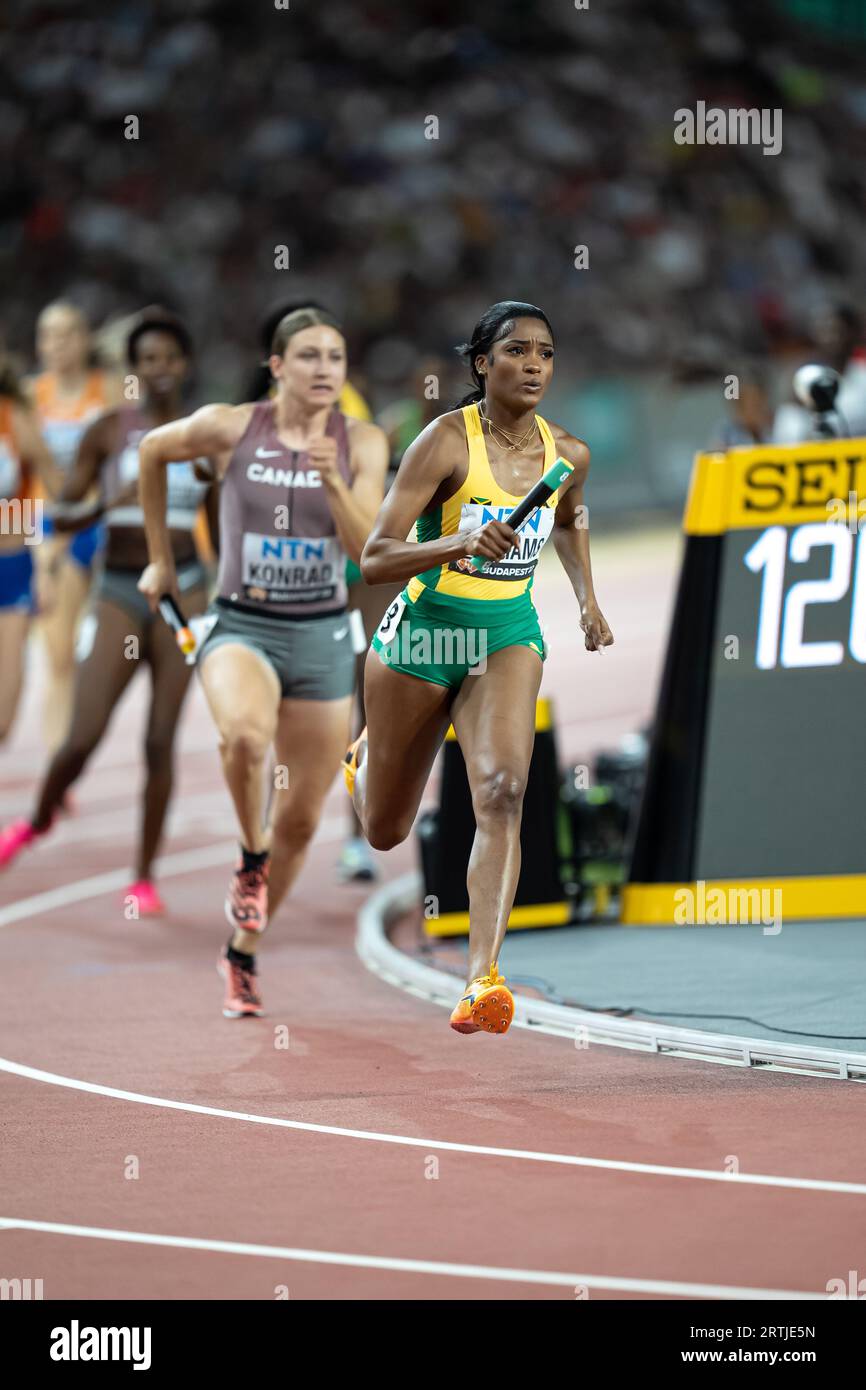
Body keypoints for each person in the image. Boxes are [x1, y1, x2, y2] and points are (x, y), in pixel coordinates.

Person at [343, 300, 614, 1036]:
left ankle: (482, 979)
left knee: (502, 788)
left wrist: (587, 599)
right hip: (426, 633)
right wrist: (457, 546)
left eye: (546, 353)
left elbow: (569, 519)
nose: (533, 365)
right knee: (384, 830)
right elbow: (374, 559)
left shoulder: (569, 455)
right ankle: (365, 761)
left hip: (506, 633)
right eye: (517, 351)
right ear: (481, 364)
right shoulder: (442, 443)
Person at [136, 307, 389, 1018]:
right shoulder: (229, 426)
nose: (324, 370)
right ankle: (251, 857)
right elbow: (153, 450)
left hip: (321, 636)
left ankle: (242, 952)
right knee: (243, 736)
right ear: (277, 366)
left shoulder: (362, 440)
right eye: (308, 356)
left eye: (335, 357)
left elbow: (369, 549)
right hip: (243, 625)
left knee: (304, 823)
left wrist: (333, 482)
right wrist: (161, 559)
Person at [0, 311, 217, 917]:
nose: (159, 369)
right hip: (121, 589)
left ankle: (144, 878)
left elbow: (224, 520)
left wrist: (229, 594)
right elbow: (60, 515)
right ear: (132, 367)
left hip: (186, 592)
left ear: (185, 364)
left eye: (170, 357)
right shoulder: (108, 430)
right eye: (147, 359)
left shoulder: (206, 433)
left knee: (159, 739)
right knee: (81, 737)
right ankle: (37, 819)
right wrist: (109, 501)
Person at [28, 302, 117, 753]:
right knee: (59, 655)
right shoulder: (28, 397)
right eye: (48, 335)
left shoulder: (112, 391)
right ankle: (55, 758)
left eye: (66, 334)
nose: (56, 345)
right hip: (48, 525)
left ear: (84, 340)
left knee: (112, 651)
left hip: (101, 524)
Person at [0, 357, 59, 745]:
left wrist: (46, 560)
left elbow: (55, 488)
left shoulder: (14, 416)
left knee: (2, 716)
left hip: (11, 563)